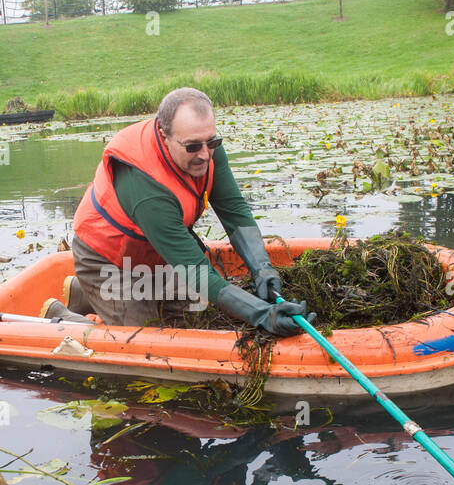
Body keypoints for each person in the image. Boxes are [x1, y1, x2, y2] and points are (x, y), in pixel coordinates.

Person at [48, 87, 312, 334]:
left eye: (212, 142)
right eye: (193, 146)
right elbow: (195, 269)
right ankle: (65, 310)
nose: (205, 155)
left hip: (156, 253)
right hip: (110, 260)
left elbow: (234, 211)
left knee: (197, 316)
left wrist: (262, 269)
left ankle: (86, 294)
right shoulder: (146, 188)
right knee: (145, 337)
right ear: (164, 135)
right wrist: (263, 315)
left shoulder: (204, 148)